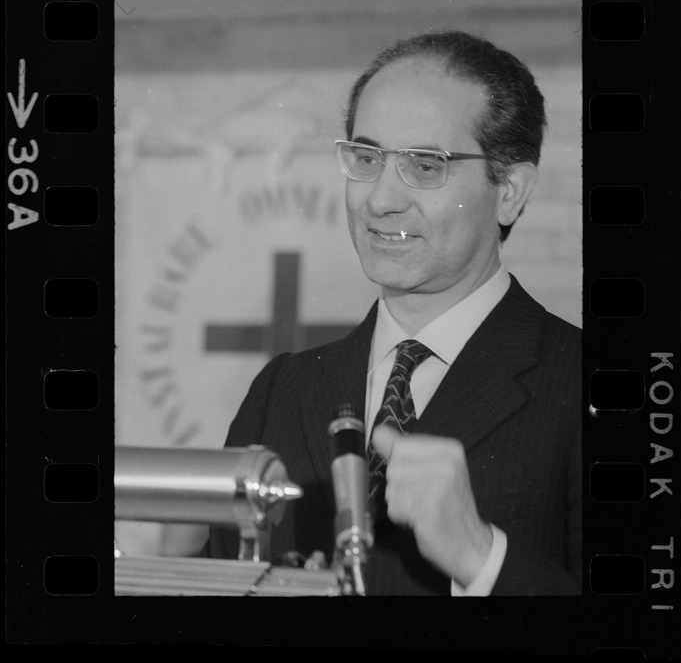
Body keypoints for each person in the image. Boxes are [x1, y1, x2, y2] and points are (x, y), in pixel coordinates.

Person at [208, 30, 581, 596]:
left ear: (509, 190)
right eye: (366, 157)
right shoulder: (281, 389)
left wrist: (482, 558)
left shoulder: (585, 385)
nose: (380, 199)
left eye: (426, 166)